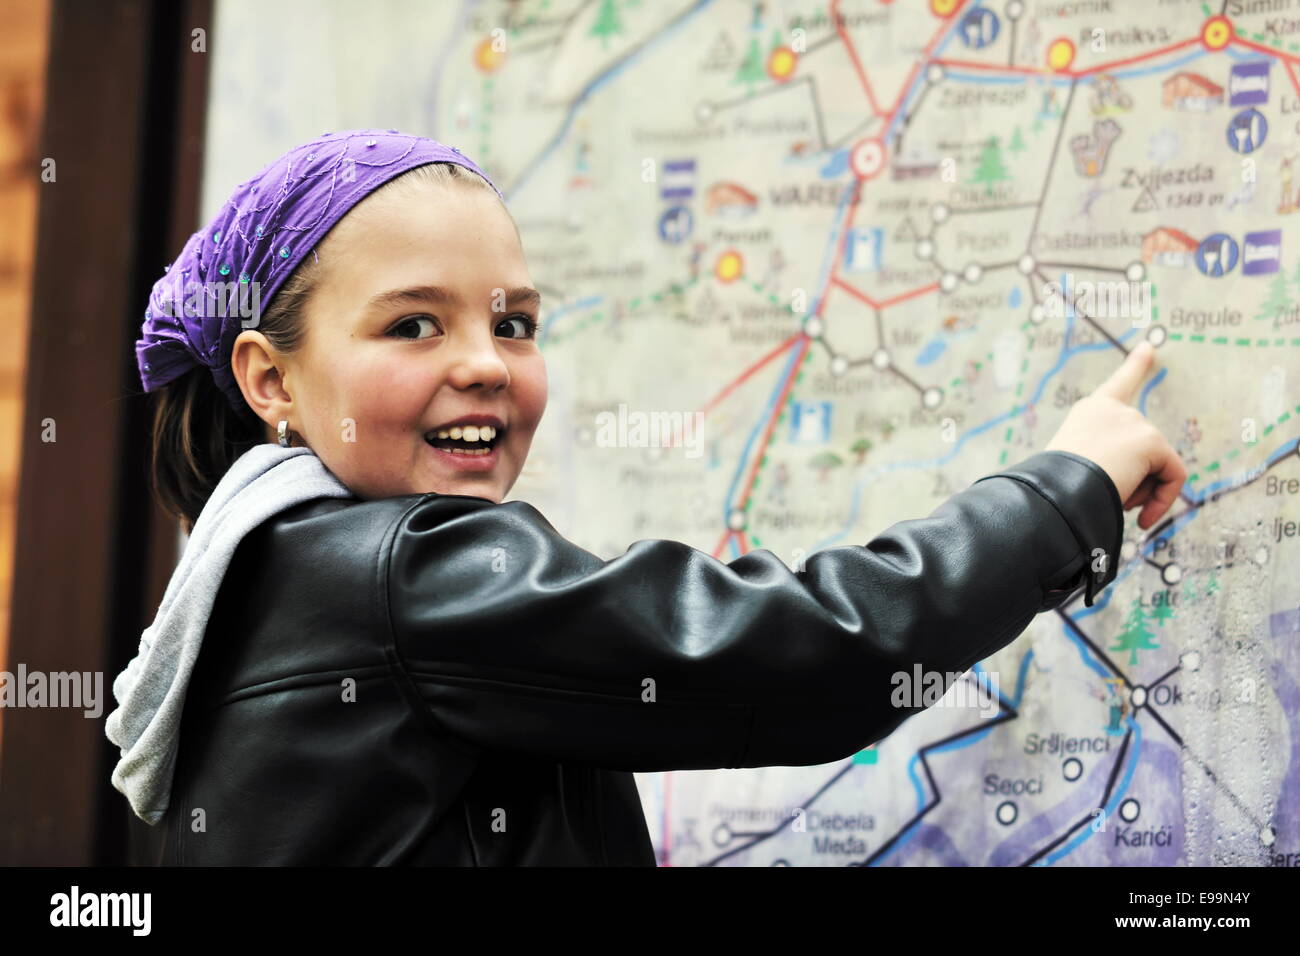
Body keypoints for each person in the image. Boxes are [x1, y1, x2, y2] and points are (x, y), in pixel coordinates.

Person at [106, 130, 1186, 866]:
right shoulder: (398, 575)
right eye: (413, 324)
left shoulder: (259, 579)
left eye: (513, 322)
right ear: (270, 379)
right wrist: (1064, 491)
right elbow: (811, 652)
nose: (485, 362)